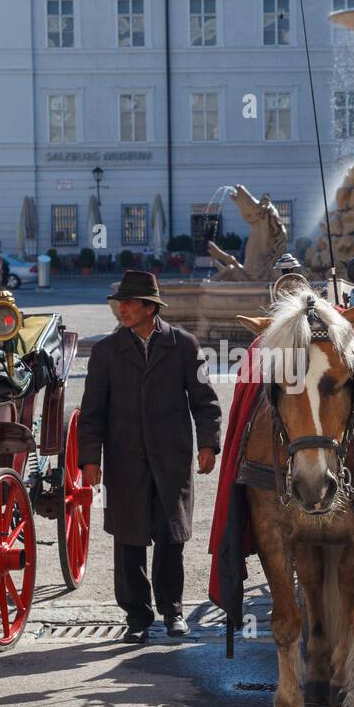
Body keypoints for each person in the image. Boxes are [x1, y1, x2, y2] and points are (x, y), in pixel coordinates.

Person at [78, 270, 221, 643]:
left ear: (149, 307)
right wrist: (90, 459)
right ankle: (137, 617)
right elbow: (92, 410)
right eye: (119, 303)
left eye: (129, 303)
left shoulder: (185, 346)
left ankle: (172, 611)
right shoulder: (107, 352)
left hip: (172, 460)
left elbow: (206, 402)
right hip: (124, 461)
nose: (121, 309)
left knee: (171, 536)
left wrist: (208, 443)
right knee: (129, 539)